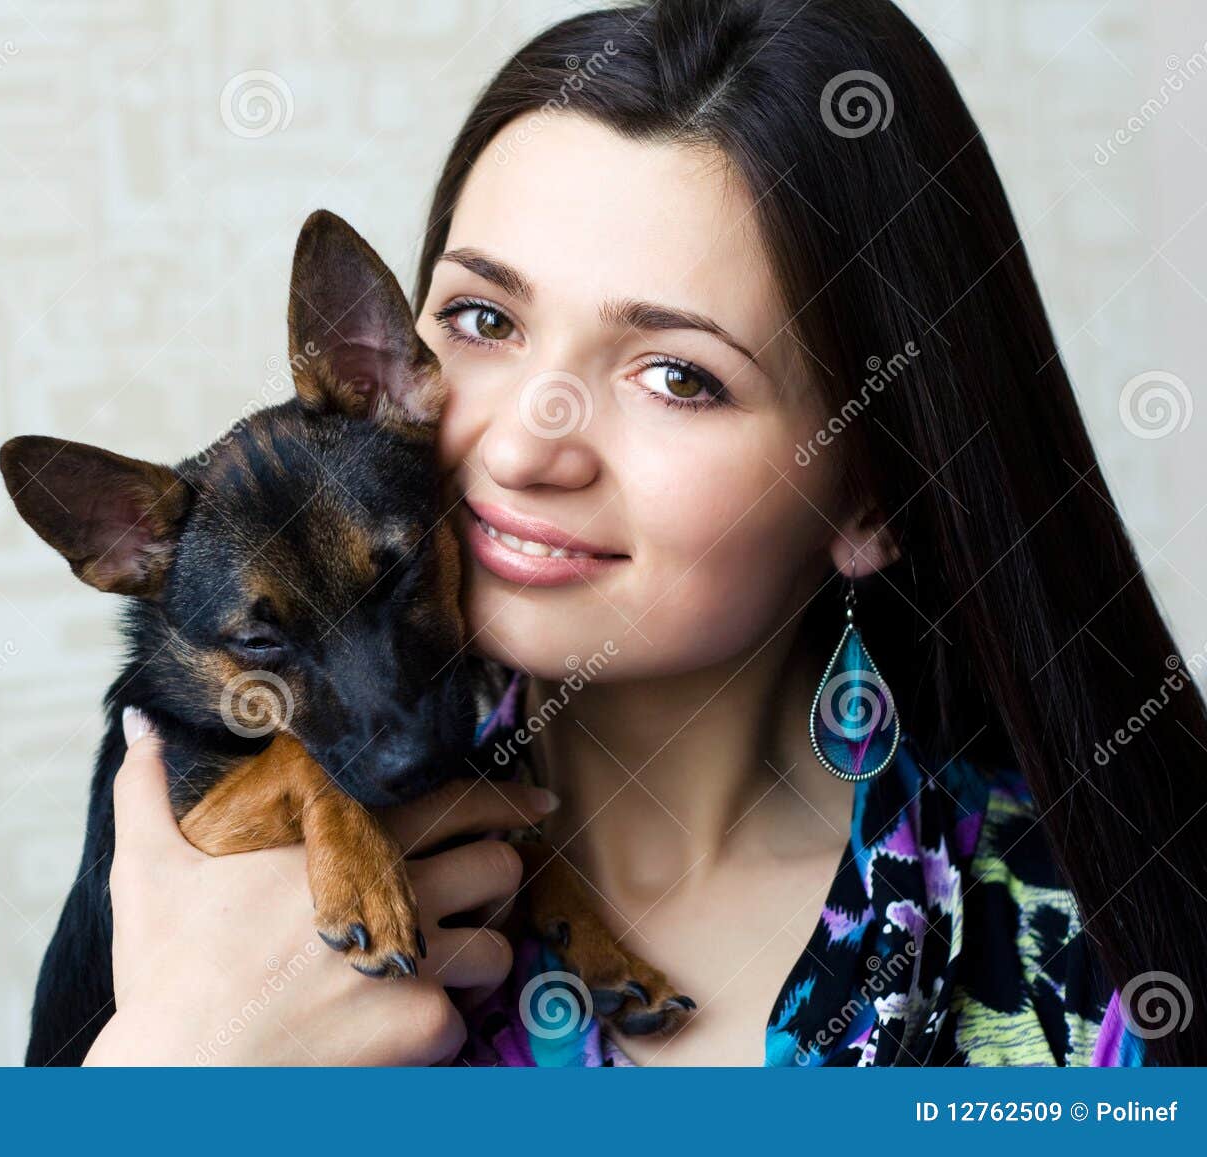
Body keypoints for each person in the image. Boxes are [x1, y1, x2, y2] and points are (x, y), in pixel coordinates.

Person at [85, 0, 1206, 1066]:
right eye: (483, 319)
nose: (525, 444)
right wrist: (172, 1067)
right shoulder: (206, 848)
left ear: (874, 496)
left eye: (678, 374)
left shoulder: (1092, 957)